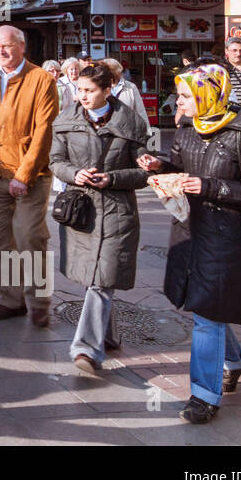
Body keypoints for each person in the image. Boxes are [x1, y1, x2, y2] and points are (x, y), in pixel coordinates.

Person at [137, 63, 241, 425]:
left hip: (227, 236)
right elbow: (181, 167)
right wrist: (159, 166)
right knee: (206, 308)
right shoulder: (187, 130)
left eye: (185, 96)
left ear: (207, 94)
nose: (178, 103)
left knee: (206, 314)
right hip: (189, 230)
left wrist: (212, 187)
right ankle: (234, 361)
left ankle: (204, 395)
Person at [48, 64, 149, 374]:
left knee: (101, 279)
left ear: (108, 90)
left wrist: (114, 177)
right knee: (98, 278)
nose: (83, 96)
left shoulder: (132, 123)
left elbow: (145, 172)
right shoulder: (65, 120)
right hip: (82, 211)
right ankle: (109, 334)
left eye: (90, 90)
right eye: (79, 90)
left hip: (118, 211)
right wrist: (74, 173)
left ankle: (86, 348)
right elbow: (55, 160)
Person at [0, 25, 59, 327]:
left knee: (30, 237)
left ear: (22, 45)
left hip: (29, 175)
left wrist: (24, 174)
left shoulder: (41, 80)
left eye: (6, 46)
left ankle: (39, 302)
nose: (1, 52)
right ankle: (12, 299)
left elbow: (44, 132)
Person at [99, 58, 149, 139]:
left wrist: (147, 133)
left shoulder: (130, 87)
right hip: (106, 133)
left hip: (128, 133)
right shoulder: (99, 87)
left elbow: (140, 111)